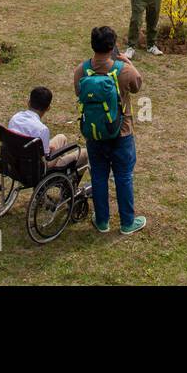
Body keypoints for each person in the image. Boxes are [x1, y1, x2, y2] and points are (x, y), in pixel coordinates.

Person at [75, 25, 145, 235]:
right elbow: (137, 85)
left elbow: (79, 93)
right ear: (113, 46)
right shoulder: (123, 70)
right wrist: (128, 61)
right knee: (123, 175)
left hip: (94, 132)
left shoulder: (82, 70)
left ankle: (102, 221)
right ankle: (127, 223)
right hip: (121, 131)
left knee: (98, 175)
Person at [7, 86, 87, 170]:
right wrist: (52, 151)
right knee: (84, 153)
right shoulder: (42, 130)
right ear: (48, 108)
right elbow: (46, 159)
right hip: (37, 170)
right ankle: (62, 173)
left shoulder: (15, 118)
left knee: (61, 137)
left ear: (29, 102)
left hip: (14, 161)